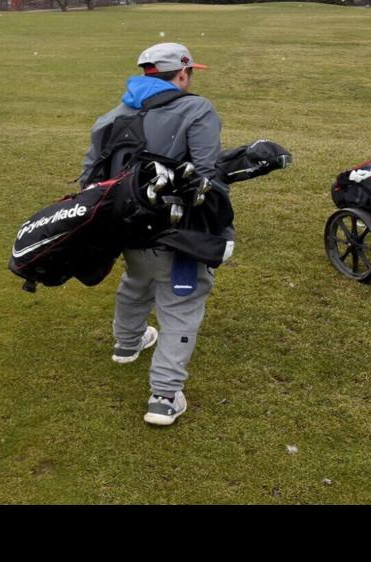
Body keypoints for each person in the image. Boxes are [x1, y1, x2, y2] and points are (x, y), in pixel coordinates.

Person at [80, 42, 232, 426]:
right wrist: (220, 231)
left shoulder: (109, 117)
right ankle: (164, 396)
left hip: (124, 229)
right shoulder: (197, 109)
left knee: (137, 279)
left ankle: (127, 344)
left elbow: (88, 181)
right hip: (177, 232)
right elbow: (208, 177)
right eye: (190, 73)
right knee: (182, 303)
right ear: (181, 73)